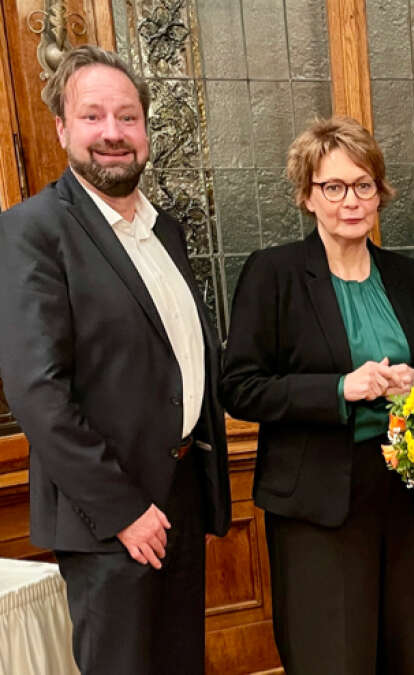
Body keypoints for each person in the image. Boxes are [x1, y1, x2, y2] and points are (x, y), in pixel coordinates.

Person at [0, 45, 231, 674]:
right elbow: (36, 390)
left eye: (127, 117)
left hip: (179, 495)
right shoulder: (32, 230)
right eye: (93, 116)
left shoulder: (165, 231)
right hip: (109, 518)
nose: (112, 134)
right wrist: (124, 511)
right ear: (62, 129)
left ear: (146, 130)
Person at [221, 116, 414, 675]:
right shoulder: (273, 275)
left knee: (410, 653)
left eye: (363, 185)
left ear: (380, 192)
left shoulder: (412, 278)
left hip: (402, 492)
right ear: (308, 196)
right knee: (334, 659)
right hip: (317, 504)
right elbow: (239, 387)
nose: (351, 200)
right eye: (333, 187)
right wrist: (340, 389)